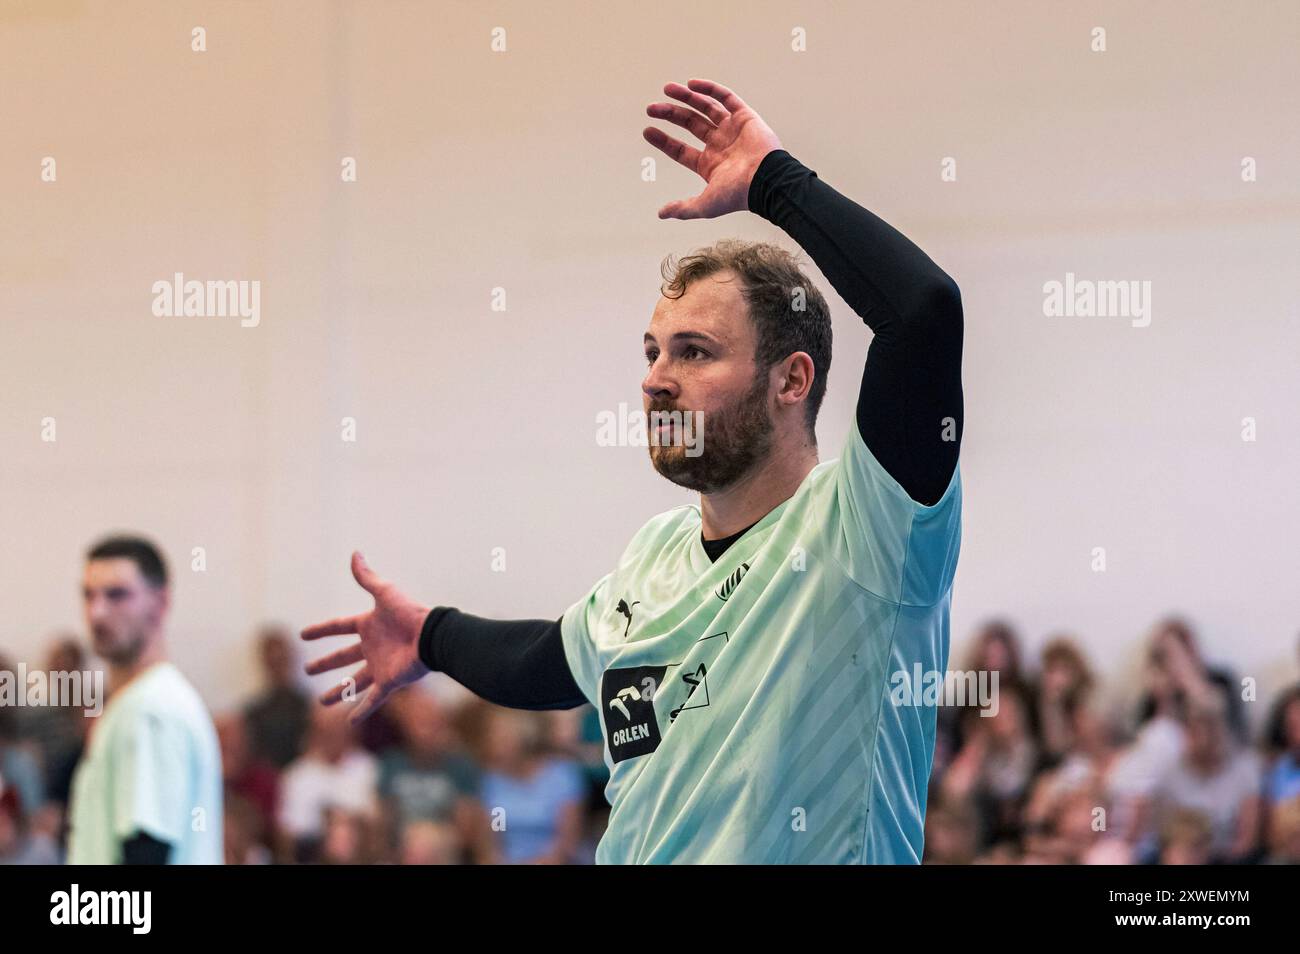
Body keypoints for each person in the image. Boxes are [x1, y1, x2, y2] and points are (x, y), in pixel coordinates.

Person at [303, 78, 964, 863]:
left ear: (792, 380)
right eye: (653, 352)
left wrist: (774, 183)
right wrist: (431, 638)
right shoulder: (656, 553)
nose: (655, 379)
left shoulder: (866, 526)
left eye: (694, 352)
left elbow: (923, 312)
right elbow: (551, 659)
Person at [67, 535, 223, 864]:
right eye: (88, 595)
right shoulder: (139, 701)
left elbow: (147, 850)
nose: (97, 612)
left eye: (117, 595)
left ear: (160, 602)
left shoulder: (151, 707)